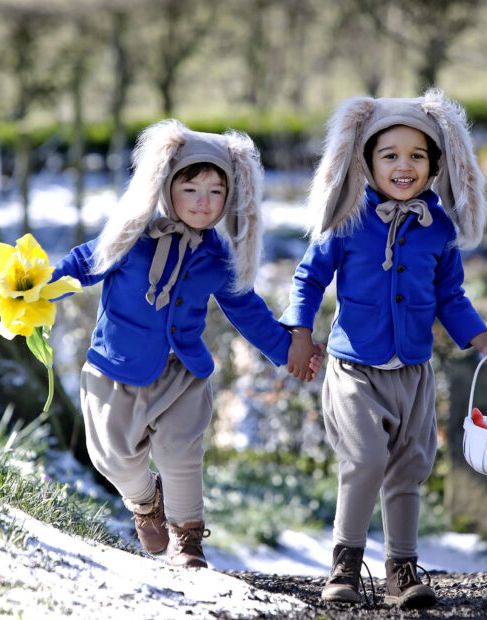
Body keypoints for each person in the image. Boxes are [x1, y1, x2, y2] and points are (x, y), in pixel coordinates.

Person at [281, 89, 487, 608]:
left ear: (435, 166)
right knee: (365, 459)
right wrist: (299, 331)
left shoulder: (440, 230)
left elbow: (450, 297)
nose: (403, 165)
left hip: (413, 371)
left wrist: (483, 339)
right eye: (389, 155)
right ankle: (344, 565)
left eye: (417, 155)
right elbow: (307, 278)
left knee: (409, 468)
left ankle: (402, 572)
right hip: (353, 369)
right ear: (367, 163)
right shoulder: (346, 218)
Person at [51, 120, 323, 568]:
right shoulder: (130, 235)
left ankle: (188, 540)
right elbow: (83, 264)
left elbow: (247, 310)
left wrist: (287, 349)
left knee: (181, 453)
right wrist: (36, 291)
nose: (203, 201)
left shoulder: (218, 256)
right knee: (113, 459)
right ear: (166, 186)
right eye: (191, 188)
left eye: (216, 192)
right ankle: (144, 501)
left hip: (182, 374)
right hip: (115, 369)